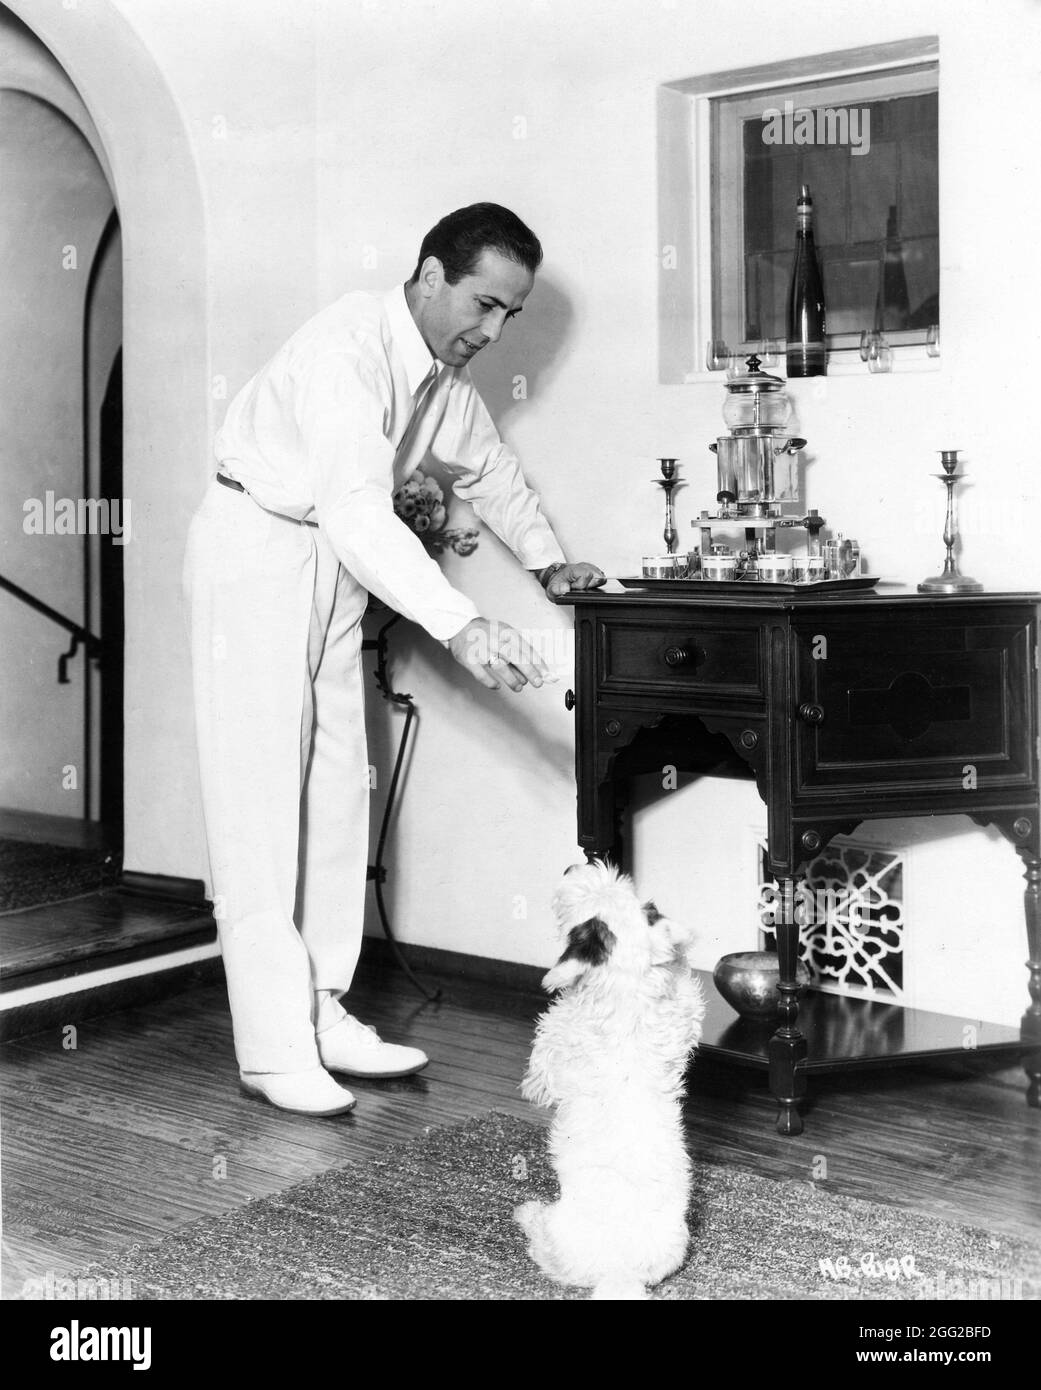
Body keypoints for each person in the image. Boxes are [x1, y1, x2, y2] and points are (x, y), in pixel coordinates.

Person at [183, 203, 605, 1115]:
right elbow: (357, 510)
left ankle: (321, 1010)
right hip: (255, 550)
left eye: (510, 314)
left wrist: (546, 564)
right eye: (484, 304)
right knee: (260, 807)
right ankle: (271, 1047)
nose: (492, 332)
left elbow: (488, 469)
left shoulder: (439, 377)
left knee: (336, 792)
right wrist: (460, 625)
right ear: (429, 276)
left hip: (327, 564)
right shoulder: (346, 351)